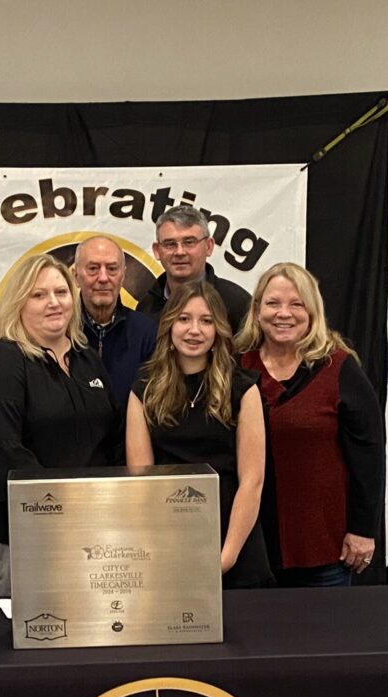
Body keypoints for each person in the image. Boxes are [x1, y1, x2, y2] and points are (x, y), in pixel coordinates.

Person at [0, 253, 121, 596]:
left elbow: (112, 437)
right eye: (39, 295)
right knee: (31, 636)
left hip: (91, 528)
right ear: (19, 303)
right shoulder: (4, 361)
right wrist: (62, 509)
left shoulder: (88, 360)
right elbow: (4, 451)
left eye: (61, 292)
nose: (53, 303)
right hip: (20, 533)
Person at [236, 262, 384, 587]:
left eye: (296, 304)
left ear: (312, 311)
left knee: (327, 638)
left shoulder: (339, 367)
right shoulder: (236, 367)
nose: (283, 313)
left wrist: (363, 530)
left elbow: (368, 456)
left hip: (323, 549)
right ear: (257, 310)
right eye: (273, 303)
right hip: (251, 550)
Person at [126, 282, 271, 588]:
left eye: (206, 321)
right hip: (170, 540)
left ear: (218, 330)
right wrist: (164, 552)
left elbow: (252, 481)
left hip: (235, 538)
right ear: (169, 326)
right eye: (184, 319)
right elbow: (142, 481)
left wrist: (226, 557)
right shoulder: (144, 389)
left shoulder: (243, 388)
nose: (195, 330)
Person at [134, 205, 251, 333]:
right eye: (170, 244)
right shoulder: (146, 307)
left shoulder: (237, 304)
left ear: (208, 246)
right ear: (157, 250)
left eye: (189, 242)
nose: (179, 252)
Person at [72, 235, 155, 404]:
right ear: (75, 276)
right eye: (93, 268)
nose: (103, 278)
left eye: (111, 269)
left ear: (123, 276)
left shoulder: (146, 333)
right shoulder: (60, 331)